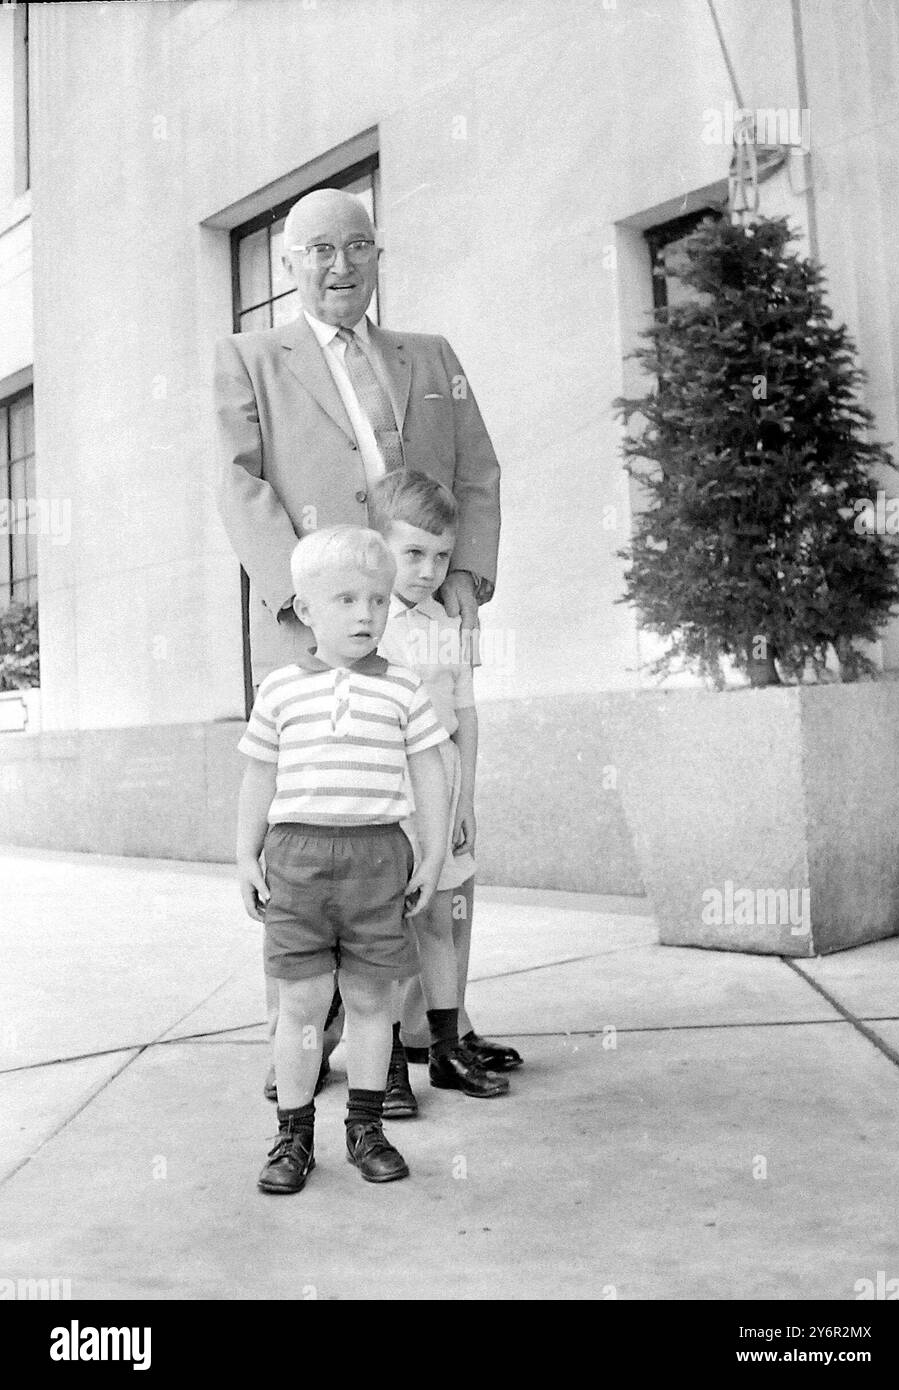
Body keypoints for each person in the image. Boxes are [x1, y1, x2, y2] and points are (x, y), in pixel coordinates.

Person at [214, 186, 512, 1098]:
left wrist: (463, 580)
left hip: (424, 627)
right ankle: (305, 1037)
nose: (340, 266)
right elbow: (238, 484)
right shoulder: (250, 358)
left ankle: (432, 1032)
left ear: (378, 256)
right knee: (325, 835)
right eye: (319, 251)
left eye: (357, 247)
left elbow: (476, 470)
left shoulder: (430, 356)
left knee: (437, 830)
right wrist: (302, 600)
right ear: (289, 264)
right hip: (319, 629)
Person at [236, 526, 449, 1194]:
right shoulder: (278, 692)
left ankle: (366, 1129)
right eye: (347, 600)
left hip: (377, 857)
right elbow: (258, 777)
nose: (366, 614)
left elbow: (431, 775)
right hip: (295, 858)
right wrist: (243, 855)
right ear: (306, 609)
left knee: (368, 1000)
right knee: (300, 1004)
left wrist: (433, 856)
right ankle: (292, 1138)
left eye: (378, 601)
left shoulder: (403, 690)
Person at [369, 471, 511, 1111]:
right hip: (388, 783)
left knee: (441, 916)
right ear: (380, 549)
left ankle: (446, 1049)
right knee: (387, 922)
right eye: (413, 554)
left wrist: (468, 800)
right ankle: (389, 1058)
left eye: (442, 556)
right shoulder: (367, 624)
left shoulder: (448, 620)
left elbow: (468, 714)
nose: (429, 571)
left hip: (442, 777)